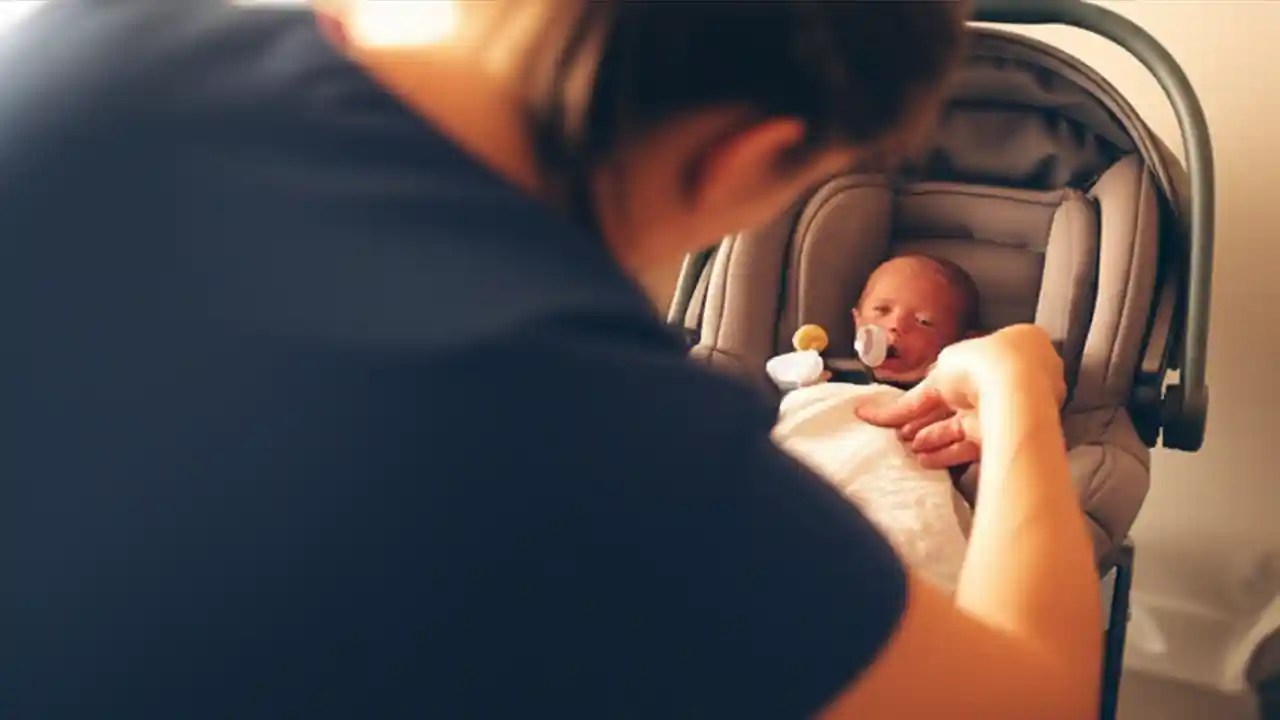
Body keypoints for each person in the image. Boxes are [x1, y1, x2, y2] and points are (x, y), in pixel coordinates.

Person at [0, 1, 1101, 718]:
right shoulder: (614, 456)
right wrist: (1016, 385)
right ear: (747, 157)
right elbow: (1032, 700)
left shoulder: (91, 41)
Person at [772, 254, 985, 592]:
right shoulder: (826, 378)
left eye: (925, 321)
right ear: (857, 321)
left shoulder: (950, 397)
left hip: (896, 498)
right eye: (881, 311)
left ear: (961, 343)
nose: (896, 325)